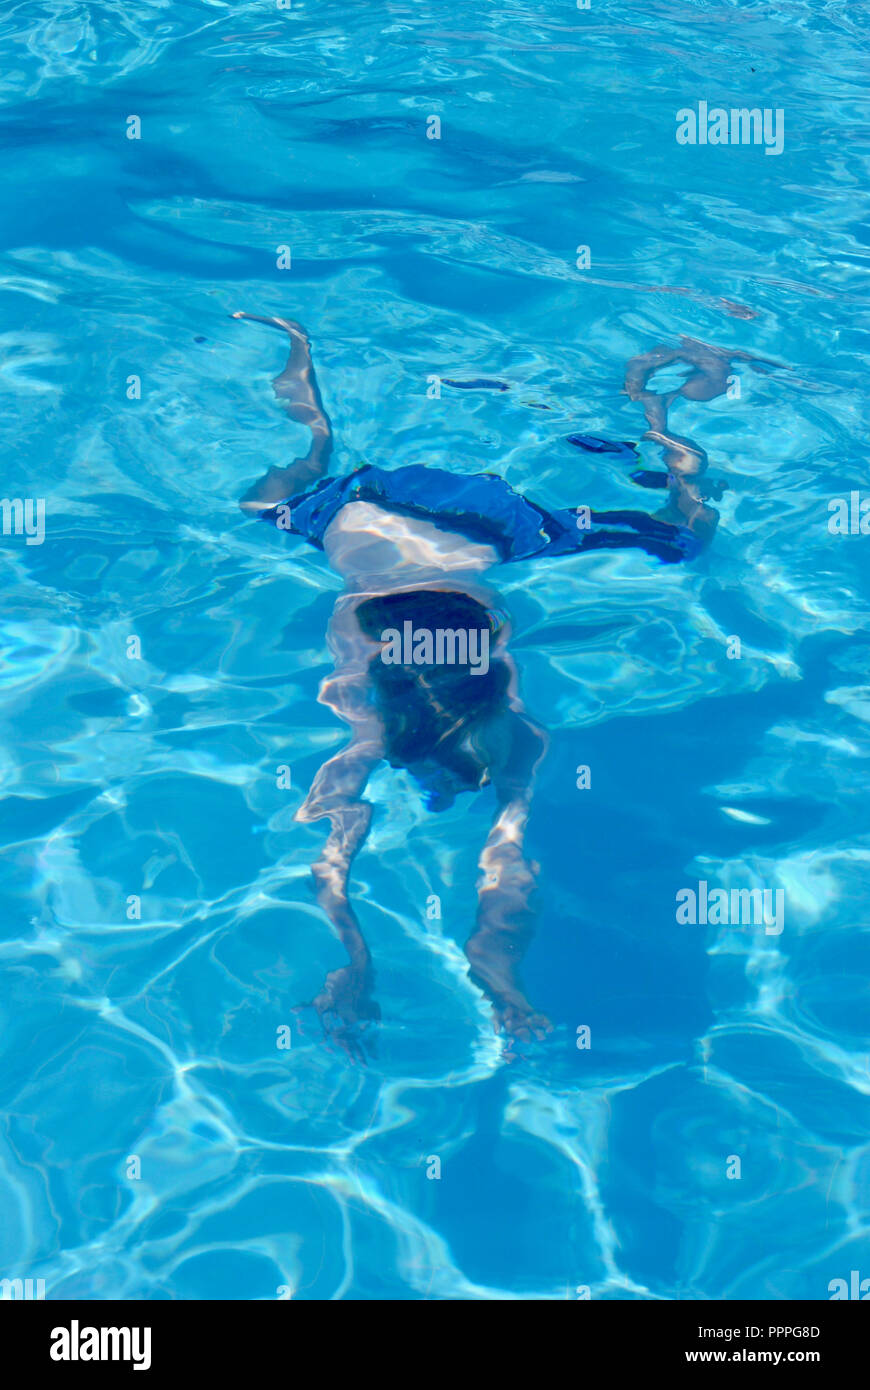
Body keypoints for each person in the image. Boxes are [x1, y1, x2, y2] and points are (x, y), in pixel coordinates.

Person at [233, 312, 754, 1056]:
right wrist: (370, 958)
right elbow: (342, 846)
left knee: (687, 534)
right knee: (281, 484)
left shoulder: (496, 710)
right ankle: (309, 386)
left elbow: (501, 862)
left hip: (489, 530)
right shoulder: (371, 702)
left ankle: (660, 411)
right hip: (351, 513)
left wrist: (409, 968)